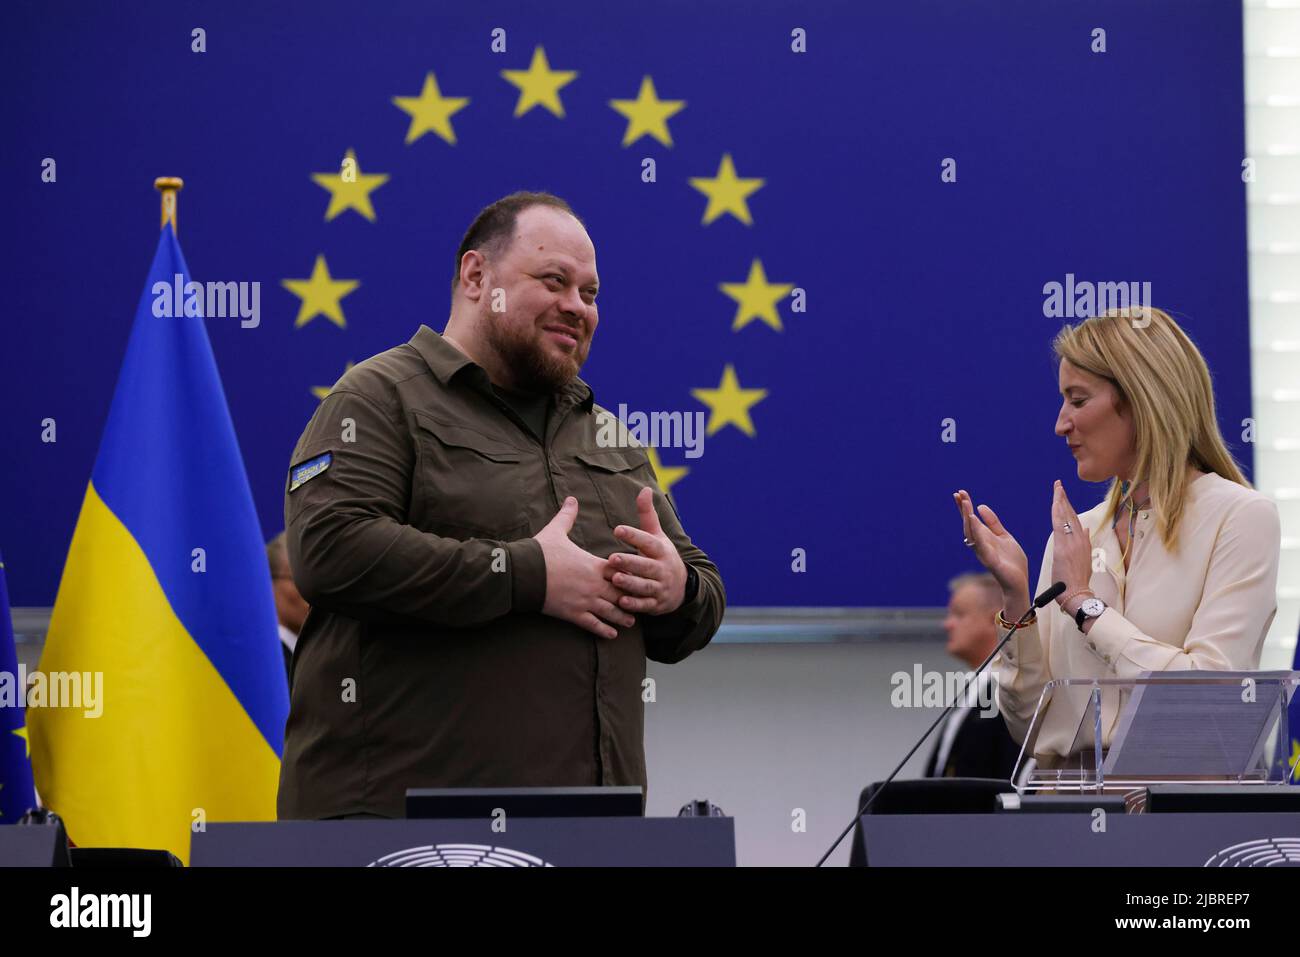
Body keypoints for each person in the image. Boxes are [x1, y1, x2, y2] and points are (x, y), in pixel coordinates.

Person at [277, 191, 725, 819]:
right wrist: (526, 575)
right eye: (554, 281)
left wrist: (677, 589)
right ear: (475, 276)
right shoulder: (379, 399)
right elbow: (330, 551)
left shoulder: (605, 434)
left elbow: (700, 588)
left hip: (593, 835)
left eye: (591, 294)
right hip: (403, 837)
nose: (577, 307)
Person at [953, 307, 1280, 768]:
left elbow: (1207, 698)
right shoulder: (1075, 535)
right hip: (1064, 815)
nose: (1060, 423)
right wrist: (1015, 600)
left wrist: (1087, 607)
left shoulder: (1241, 517)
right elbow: (1029, 727)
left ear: (1142, 398)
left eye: (1078, 400)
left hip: (1183, 821)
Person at [925, 572, 1022, 779]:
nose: (947, 624)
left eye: (958, 615)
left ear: (994, 620)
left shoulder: (1012, 690)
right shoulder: (973, 689)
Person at [266, 532, 309, 684]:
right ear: (269, 583)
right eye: (300, 581)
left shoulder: (316, 659)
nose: (311, 594)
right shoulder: (266, 664)